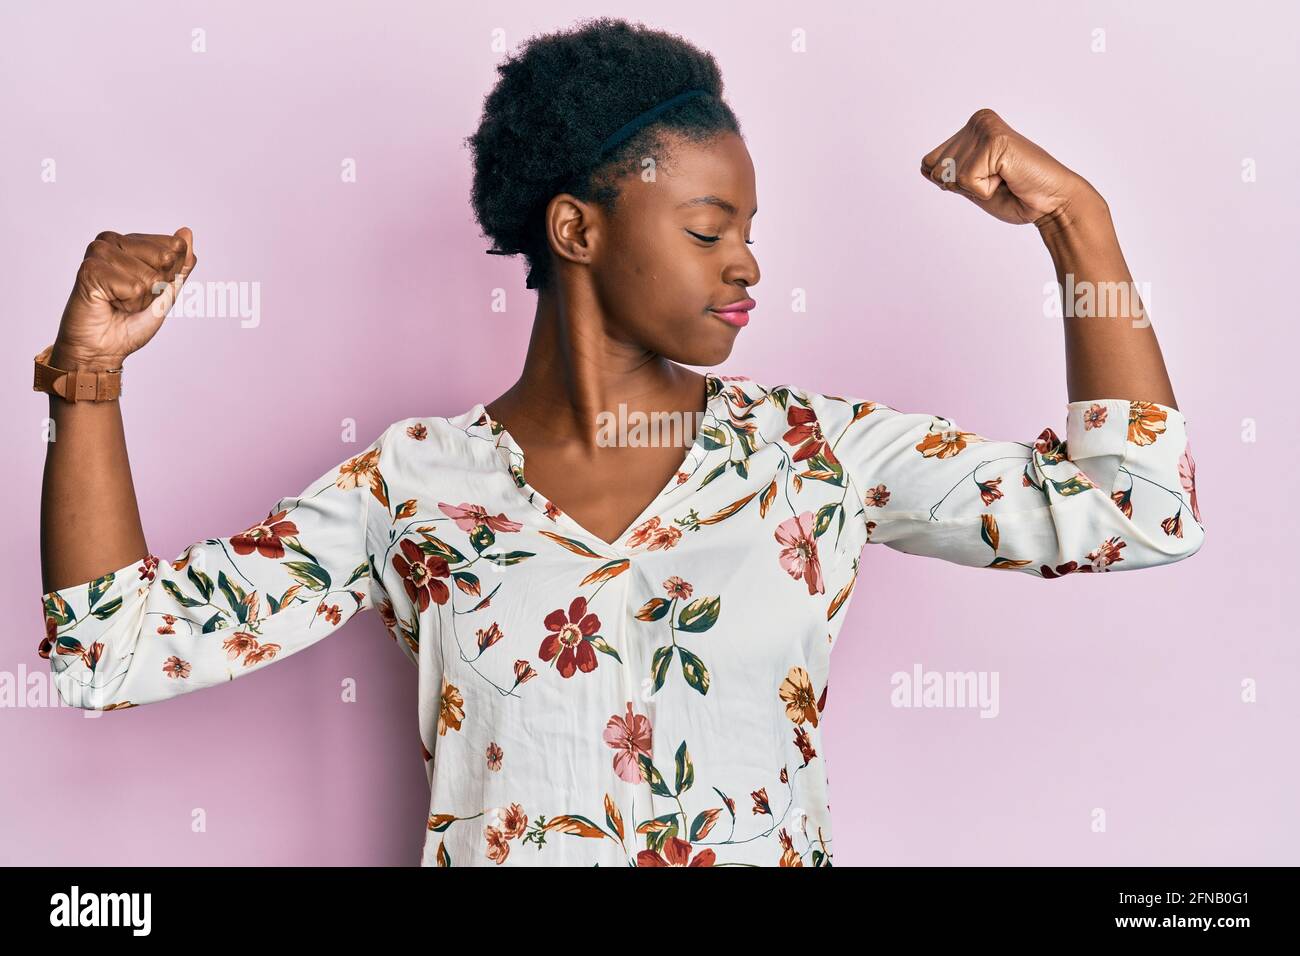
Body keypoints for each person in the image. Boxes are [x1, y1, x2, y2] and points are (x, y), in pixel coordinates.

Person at [36, 17, 1204, 867]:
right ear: (576, 228)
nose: (747, 262)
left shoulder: (812, 455)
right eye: (709, 228)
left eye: (750, 231)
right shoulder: (412, 486)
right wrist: (90, 375)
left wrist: (1073, 220)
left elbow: (1135, 509)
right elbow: (113, 653)